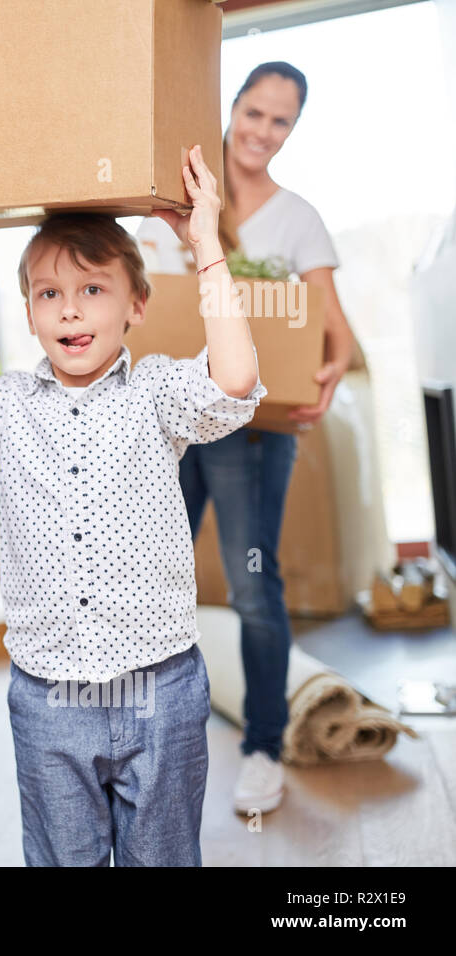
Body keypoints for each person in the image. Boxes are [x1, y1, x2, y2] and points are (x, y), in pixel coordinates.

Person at [0, 147, 264, 865]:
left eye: (93, 289)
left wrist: (204, 241)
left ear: (137, 305)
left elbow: (233, 381)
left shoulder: (156, 395)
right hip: (49, 699)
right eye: (48, 293)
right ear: (28, 313)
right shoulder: (6, 406)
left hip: (162, 688)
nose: (69, 308)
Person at [136, 62, 356, 816]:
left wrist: (326, 375)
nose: (263, 131)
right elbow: (140, 305)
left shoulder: (298, 219)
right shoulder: (173, 203)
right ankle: (148, 737)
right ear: (232, 109)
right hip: (170, 423)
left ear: (292, 130)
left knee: (253, 586)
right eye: (254, 112)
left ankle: (263, 745)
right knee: (153, 578)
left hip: (253, 432)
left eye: (280, 120)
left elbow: (334, 333)